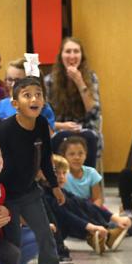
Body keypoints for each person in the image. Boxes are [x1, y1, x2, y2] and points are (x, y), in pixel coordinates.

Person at [0, 76, 70, 264]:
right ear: (15, 103)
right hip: (8, 196)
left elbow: (45, 158)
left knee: (47, 236)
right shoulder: (4, 130)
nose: (34, 99)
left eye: (38, 94)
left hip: (30, 192)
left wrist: (54, 185)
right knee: (13, 243)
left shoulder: (41, 126)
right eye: (27, 95)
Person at [50, 155, 131, 254]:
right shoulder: (45, 194)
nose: (61, 177)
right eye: (56, 173)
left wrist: (114, 217)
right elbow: (66, 215)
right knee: (69, 208)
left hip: (63, 228)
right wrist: (91, 227)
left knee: (77, 202)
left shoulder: (62, 192)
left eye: (64, 173)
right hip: (52, 232)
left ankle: (99, 236)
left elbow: (84, 203)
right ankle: (101, 235)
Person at [44, 37, 101, 168]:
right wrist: (62, 126)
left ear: (82, 56)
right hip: (59, 128)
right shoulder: (49, 81)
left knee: (89, 137)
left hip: (85, 127)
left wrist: (80, 81)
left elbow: (94, 112)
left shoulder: (91, 78)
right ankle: (57, 183)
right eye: (68, 51)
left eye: (76, 51)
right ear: (61, 56)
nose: (72, 56)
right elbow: (44, 117)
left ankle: (87, 184)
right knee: (60, 138)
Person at [60, 136, 103, 205]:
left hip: (88, 208)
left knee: (108, 214)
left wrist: (92, 212)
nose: (77, 157)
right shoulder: (62, 174)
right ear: (64, 156)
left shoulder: (92, 173)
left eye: (80, 153)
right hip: (68, 208)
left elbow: (98, 199)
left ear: (85, 155)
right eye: (72, 154)